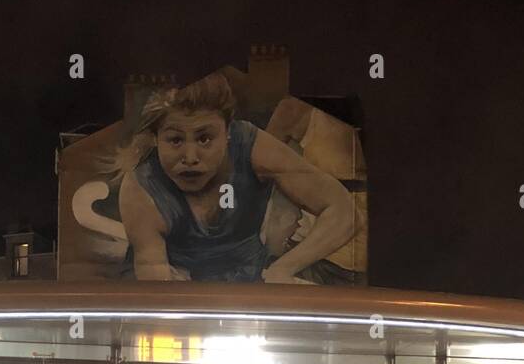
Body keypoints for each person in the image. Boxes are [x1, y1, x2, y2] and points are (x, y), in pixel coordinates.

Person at [116, 73, 357, 283]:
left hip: (249, 289)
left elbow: (343, 208)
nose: (190, 157)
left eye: (204, 139)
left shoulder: (251, 144)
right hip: (179, 297)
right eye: (176, 140)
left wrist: (284, 268)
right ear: (156, 138)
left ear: (228, 132)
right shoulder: (140, 187)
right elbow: (159, 295)